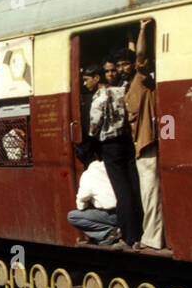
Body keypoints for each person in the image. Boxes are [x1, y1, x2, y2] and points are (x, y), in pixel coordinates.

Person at [86, 62, 142, 247]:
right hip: (127, 143)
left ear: (97, 78)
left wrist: (89, 143)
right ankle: (139, 231)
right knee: (133, 188)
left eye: (87, 80)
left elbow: (94, 126)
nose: (85, 84)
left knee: (121, 191)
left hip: (110, 146)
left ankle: (128, 235)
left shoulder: (99, 97)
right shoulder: (120, 91)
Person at [122, 23, 165, 251]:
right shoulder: (129, 86)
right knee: (146, 193)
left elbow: (139, 55)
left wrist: (141, 30)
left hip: (145, 143)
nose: (122, 68)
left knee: (150, 193)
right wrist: (130, 35)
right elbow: (132, 53)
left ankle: (153, 239)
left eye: (125, 65)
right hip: (138, 145)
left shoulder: (140, 77)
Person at [67, 147, 121, 245]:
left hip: (112, 215)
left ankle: (110, 232)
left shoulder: (88, 175)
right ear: (96, 155)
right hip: (126, 213)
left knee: (72, 216)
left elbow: (81, 205)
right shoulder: (108, 166)